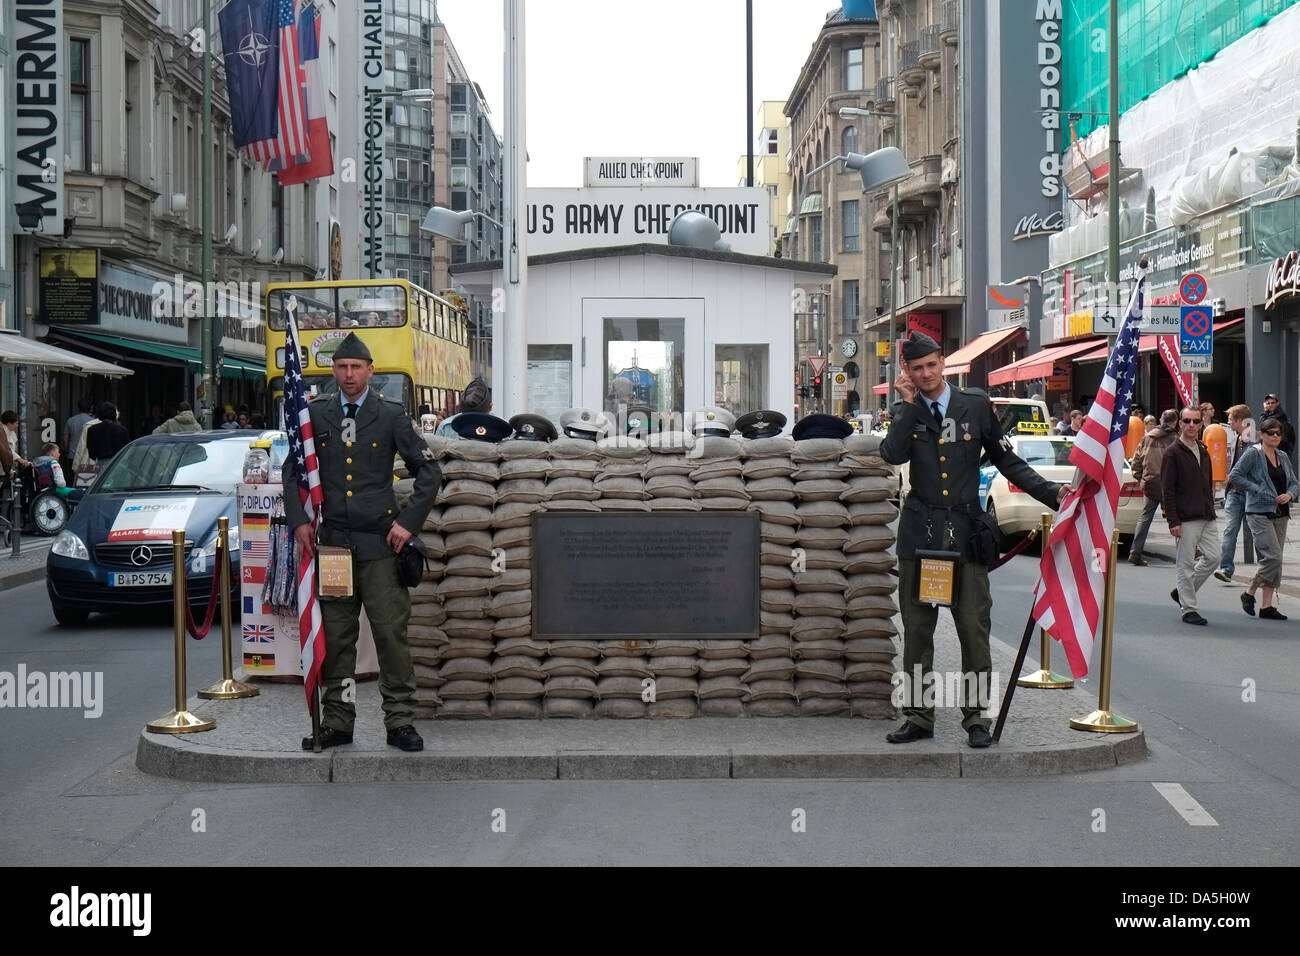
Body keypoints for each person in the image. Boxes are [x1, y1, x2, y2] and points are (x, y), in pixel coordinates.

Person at [879, 331, 1066, 749]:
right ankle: (919, 716)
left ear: (943, 362)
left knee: (973, 630)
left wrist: (1053, 494)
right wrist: (909, 405)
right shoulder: (904, 410)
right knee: (918, 632)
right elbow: (892, 454)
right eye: (916, 368)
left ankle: (976, 718)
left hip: (966, 535)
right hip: (922, 536)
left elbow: (1006, 459)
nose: (926, 374)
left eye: (931, 365)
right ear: (906, 372)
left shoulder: (974, 406)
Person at [282, 332, 441, 753]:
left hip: (379, 548)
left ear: (371, 371)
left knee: (390, 636)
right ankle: (337, 720)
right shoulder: (316, 414)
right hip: (333, 547)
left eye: (356, 367)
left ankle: (400, 721)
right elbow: (292, 471)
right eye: (341, 367)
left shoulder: (390, 416)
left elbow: (428, 472)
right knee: (337, 639)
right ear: (333, 371)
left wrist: (408, 524)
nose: (348, 375)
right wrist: (299, 521)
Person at [1229, 417, 1297, 620]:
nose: (1275, 436)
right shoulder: (1253, 454)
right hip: (1258, 513)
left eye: (1278, 433)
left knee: (1276, 562)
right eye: (1271, 433)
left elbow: (1294, 482)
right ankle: (1249, 592)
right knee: (1273, 557)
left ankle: (1266, 606)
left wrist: (1290, 495)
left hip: (1281, 513)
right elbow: (1235, 476)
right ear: (1262, 435)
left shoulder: (1283, 456)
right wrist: (1256, 488)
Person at [1161, 406, 1221, 625]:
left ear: (1201, 424)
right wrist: (1173, 520)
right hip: (1185, 518)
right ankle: (1189, 609)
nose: (1192, 425)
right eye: (1187, 421)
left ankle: (1183, 592)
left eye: (1196, 421)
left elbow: (1208, 482)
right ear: (1179, 424)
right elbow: (1167, 489)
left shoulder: (1203, 450)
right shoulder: (1172, 452)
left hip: (1206, 514)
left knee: (1214, 557)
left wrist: (1211, 506)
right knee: (1185, 564)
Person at [1129, 409, 1179, 566]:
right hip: (1169, 485)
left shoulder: (1147, 438)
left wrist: (1141, 478)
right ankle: (1190, 550)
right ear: (1176, 422)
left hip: (1150, 483)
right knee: (1176, 517)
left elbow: (1136, 461)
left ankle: (1135, 552)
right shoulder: (1176, 439)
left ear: (1160, 419)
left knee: (1145, 518)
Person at [1214, 404, 1257, 582]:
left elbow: (1247, 465)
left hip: (1250, 493)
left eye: (1231, 419)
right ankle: (1226, 569)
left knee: (1257, 531)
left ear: (1241, 420)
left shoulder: (1253, 439)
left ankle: (1266, 569)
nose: (1229, 422)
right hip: (1234, 492)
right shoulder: (1236, 438)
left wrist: (1231, 476)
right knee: (1230, 529)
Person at [85, 402, 130, 468]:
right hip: (118, 463)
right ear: (114, 414)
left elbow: (91, 453)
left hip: (100, 463)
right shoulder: (122, 430)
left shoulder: (92, 429)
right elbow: (126, 449)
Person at [63, 397, 95, 474]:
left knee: (72, 478)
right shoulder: (93, 421)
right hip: (88, 456)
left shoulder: (70, 420)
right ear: (90, 408)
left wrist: (67, 450)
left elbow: (65, 438)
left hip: (72, 455)